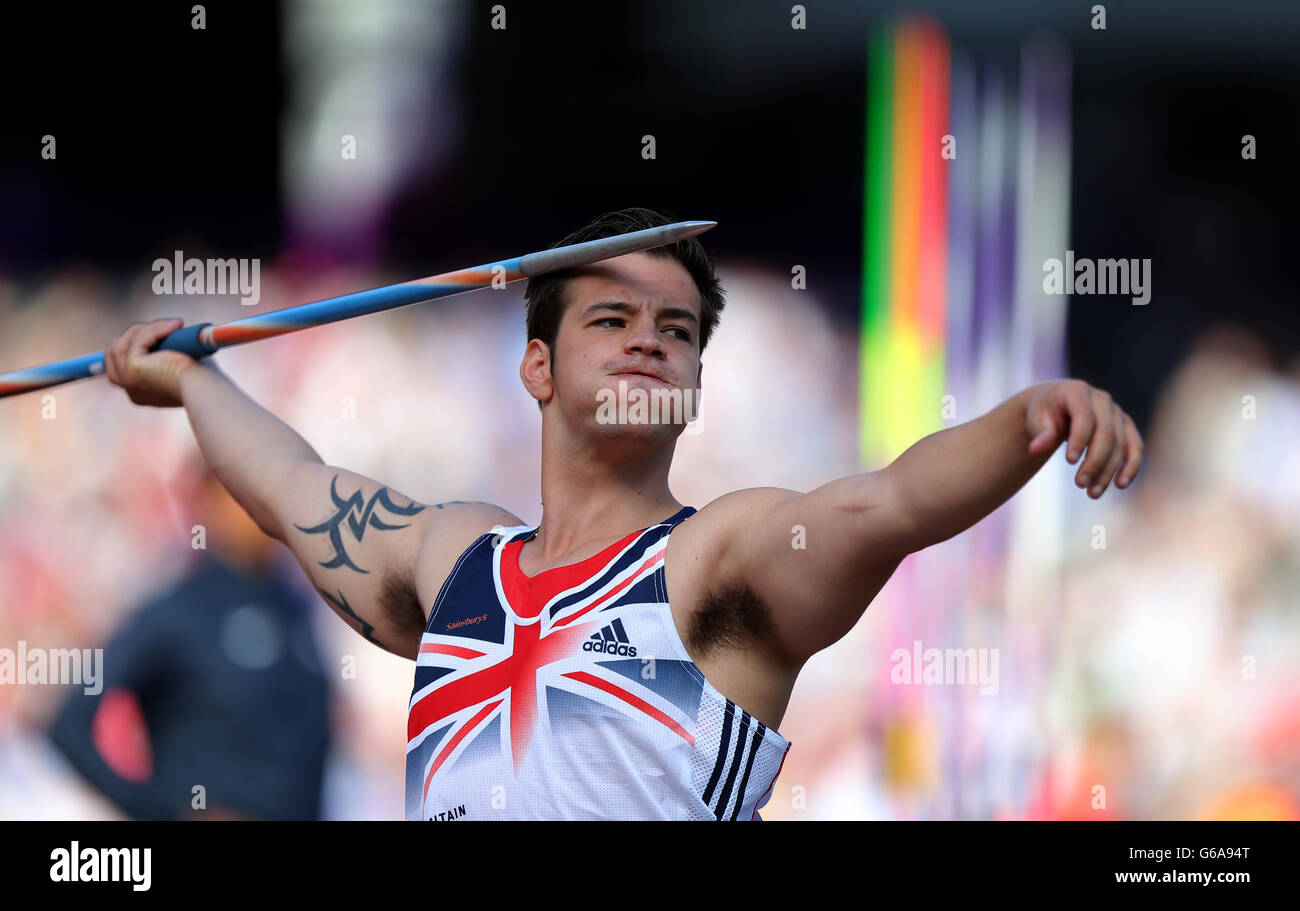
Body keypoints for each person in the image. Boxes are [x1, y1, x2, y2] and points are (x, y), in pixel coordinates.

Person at [102, 207, 1144, 820]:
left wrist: (1032, 420)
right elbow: (292, 488)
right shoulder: (456, 556)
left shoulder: (718, 560)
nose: (652, 340)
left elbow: (890, 502)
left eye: (678, 330)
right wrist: (193, 383)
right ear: (538, 367)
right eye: (612, 317)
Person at [46, 462, 332, 820]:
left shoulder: (298, 610)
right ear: (206, 499)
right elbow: (70, 721)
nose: (264, 509)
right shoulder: (178, 610)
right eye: (244, 494)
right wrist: (159, 812)